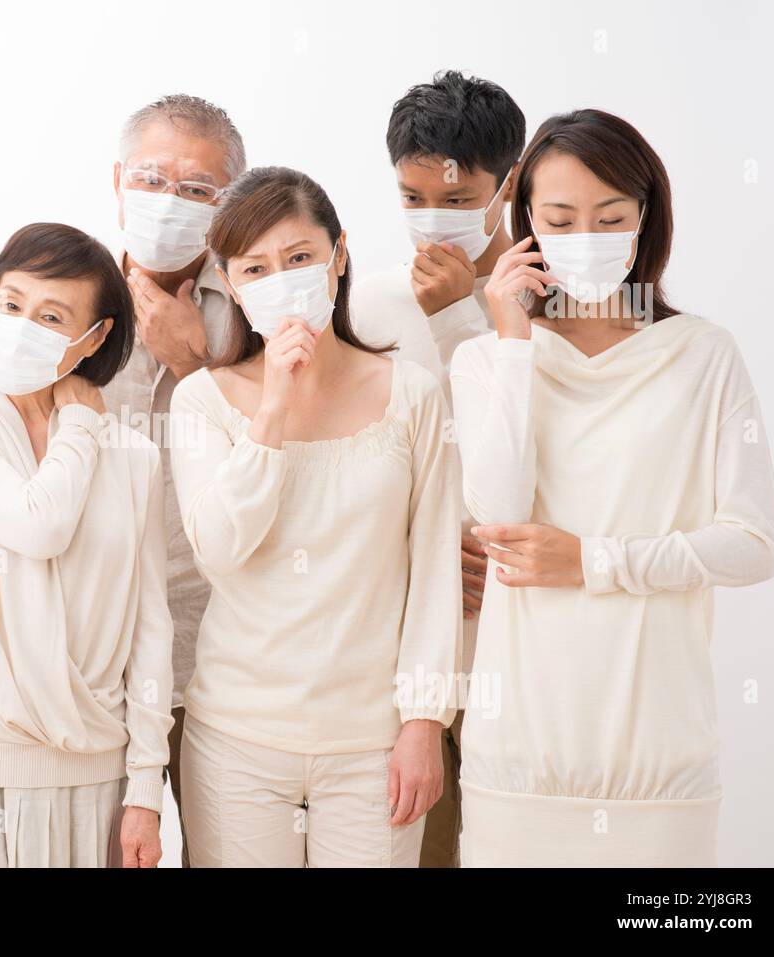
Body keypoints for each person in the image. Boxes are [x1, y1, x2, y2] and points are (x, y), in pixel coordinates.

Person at [450, 109, 774, 866]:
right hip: (518, 761)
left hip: (659, 767)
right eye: (560, 220)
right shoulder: (486, 359)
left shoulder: (702, 355)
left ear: (644, 220)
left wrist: (595, 560)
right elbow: (498, 511)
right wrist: (512, 337)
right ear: (527, 223)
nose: (584, 236)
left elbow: (754, 545)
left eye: (610, 217)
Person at [170, 167, 463, 867]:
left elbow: (434, 572)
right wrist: (270, 410)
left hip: (373, 743)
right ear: (233, 285)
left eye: (299, 257)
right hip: (235, 738)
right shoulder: (202, 402)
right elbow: (220, 548)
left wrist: (424, 721)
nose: (283, 279)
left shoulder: (412, 395)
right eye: (257, 268)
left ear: (337, 255)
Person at [0, 223, 174, 868]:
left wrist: (146, 789)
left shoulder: (134, 461)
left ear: (95, 337)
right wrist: (79, 419)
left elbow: (150, 632)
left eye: (52, 316)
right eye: (11, 304)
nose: (22, 325)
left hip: (90, 783)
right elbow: (41, 525)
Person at [351, 69, 527, 867]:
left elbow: (551, 456)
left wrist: (464, 317)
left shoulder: (558, 305)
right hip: (400, 657)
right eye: (413, 197)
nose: (433, 221)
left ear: (509, 186)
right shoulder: (364, 306)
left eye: (459, 201)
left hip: (519, 650)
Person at [101, 94, 245, 865]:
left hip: (221, 660)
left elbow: (294, 473)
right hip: (96, 660)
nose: (169, 204)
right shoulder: (66, 304)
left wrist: (198, 362)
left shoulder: (260, 307)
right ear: (117, 181)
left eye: (197, 190)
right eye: (152, 180)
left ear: (230, 209)